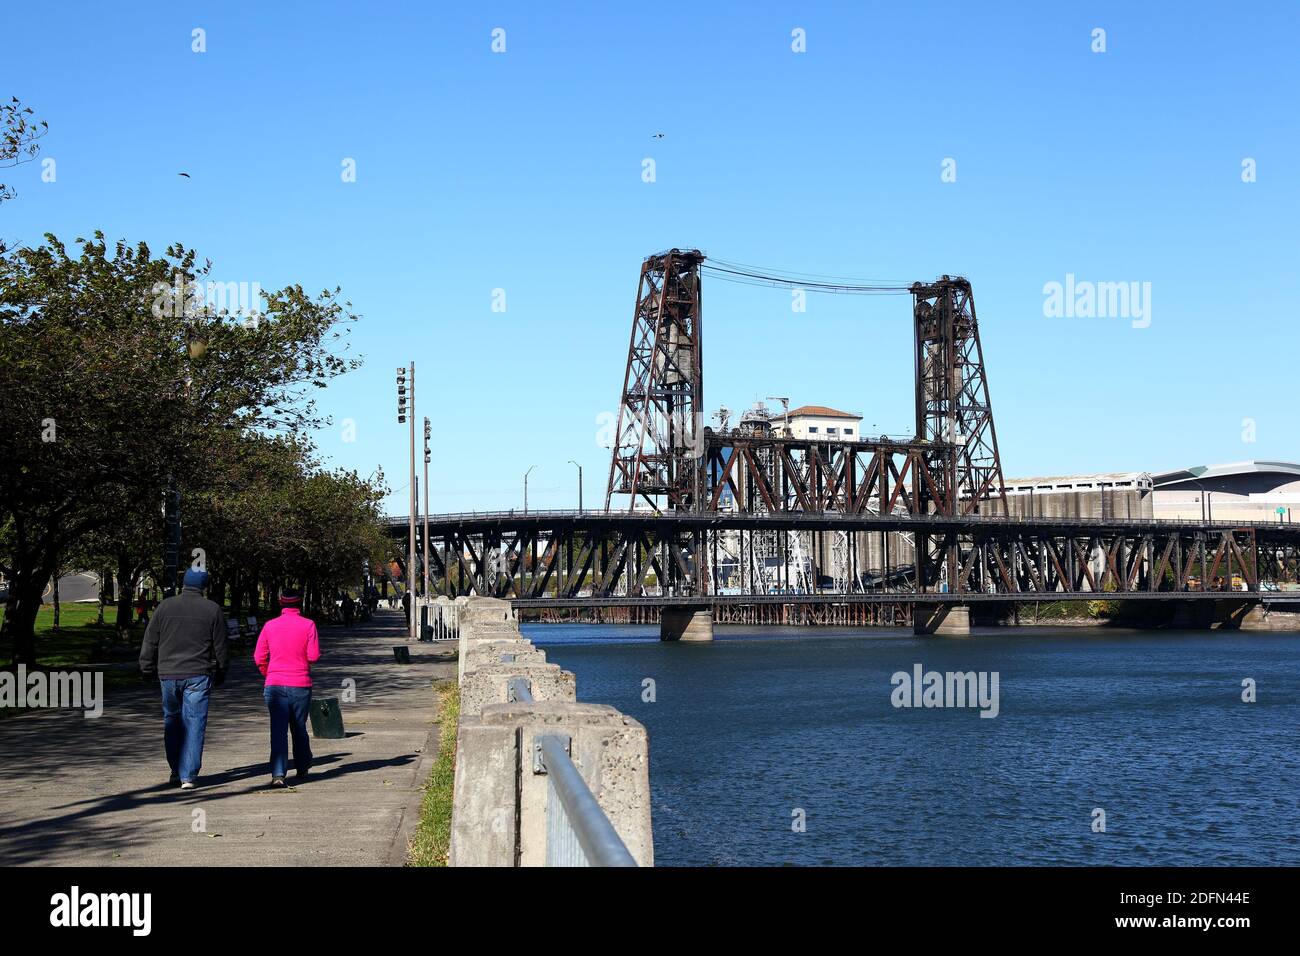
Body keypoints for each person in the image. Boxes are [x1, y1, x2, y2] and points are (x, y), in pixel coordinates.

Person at [139, 568, 228, 790]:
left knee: (172, 721)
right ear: (204, 586)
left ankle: (175, 769)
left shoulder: (164, 607)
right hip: (198, 673)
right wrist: (221, 670)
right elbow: (221, 645)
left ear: (184, 583)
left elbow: (150, 640)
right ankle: (188, 774)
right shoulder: (212, 609)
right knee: (194, 723)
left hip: (168, 673)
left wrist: (146, 667)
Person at [253, 588, 320, 787]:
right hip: (300, 683)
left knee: (278, 729)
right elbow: (313, 656)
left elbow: (259, 657)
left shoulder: (269, 626)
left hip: (274, 684)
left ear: (281, 603)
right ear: (299, 603)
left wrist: (269, 673)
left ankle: (278, 773)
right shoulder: (308, 625)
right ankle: (302, 765)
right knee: (299, 727)